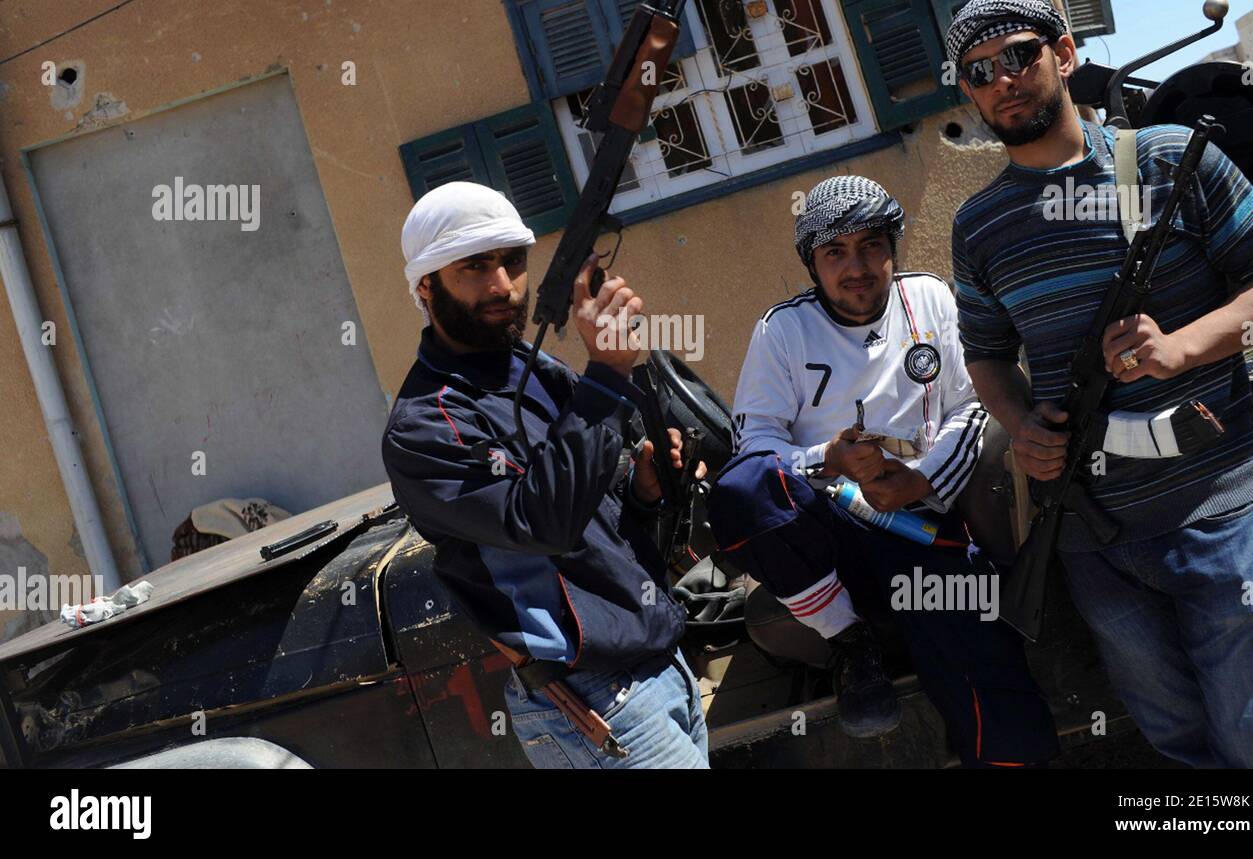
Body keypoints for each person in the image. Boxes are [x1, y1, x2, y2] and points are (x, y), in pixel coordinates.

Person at [947, 0, 1253, 767]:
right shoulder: (979, 227)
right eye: (977, 71)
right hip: (1091, 536)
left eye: (1017, 55)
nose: (1000, 79)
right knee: (1178, 745)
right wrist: (1019, 425)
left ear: (1064, 54)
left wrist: (1183, 348)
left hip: (1217, 515)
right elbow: (986, 354)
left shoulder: (1172, 158)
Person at [707, 174, 1058, 767]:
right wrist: (830, 459)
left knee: (984, 666)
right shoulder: (782, 330)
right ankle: (849, 642)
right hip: (831, 531)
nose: (857, 267)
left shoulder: (931, 299)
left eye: (871, 245)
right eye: (835, 253)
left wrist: (920, 481)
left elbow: (971, 403)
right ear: (812, 264)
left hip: (920, 525)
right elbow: (754, 448)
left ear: (893, 245)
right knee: (740, 491)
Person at [381, 181, 709, 769]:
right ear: (426, 286)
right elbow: (540, 523)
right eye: (475, 267)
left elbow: (592, 514)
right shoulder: (426, 424)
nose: (503, 285)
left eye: (512, 261)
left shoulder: (533, 370)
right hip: (595, 701)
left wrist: (642, 487)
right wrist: (607, 374)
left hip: (660, 663)